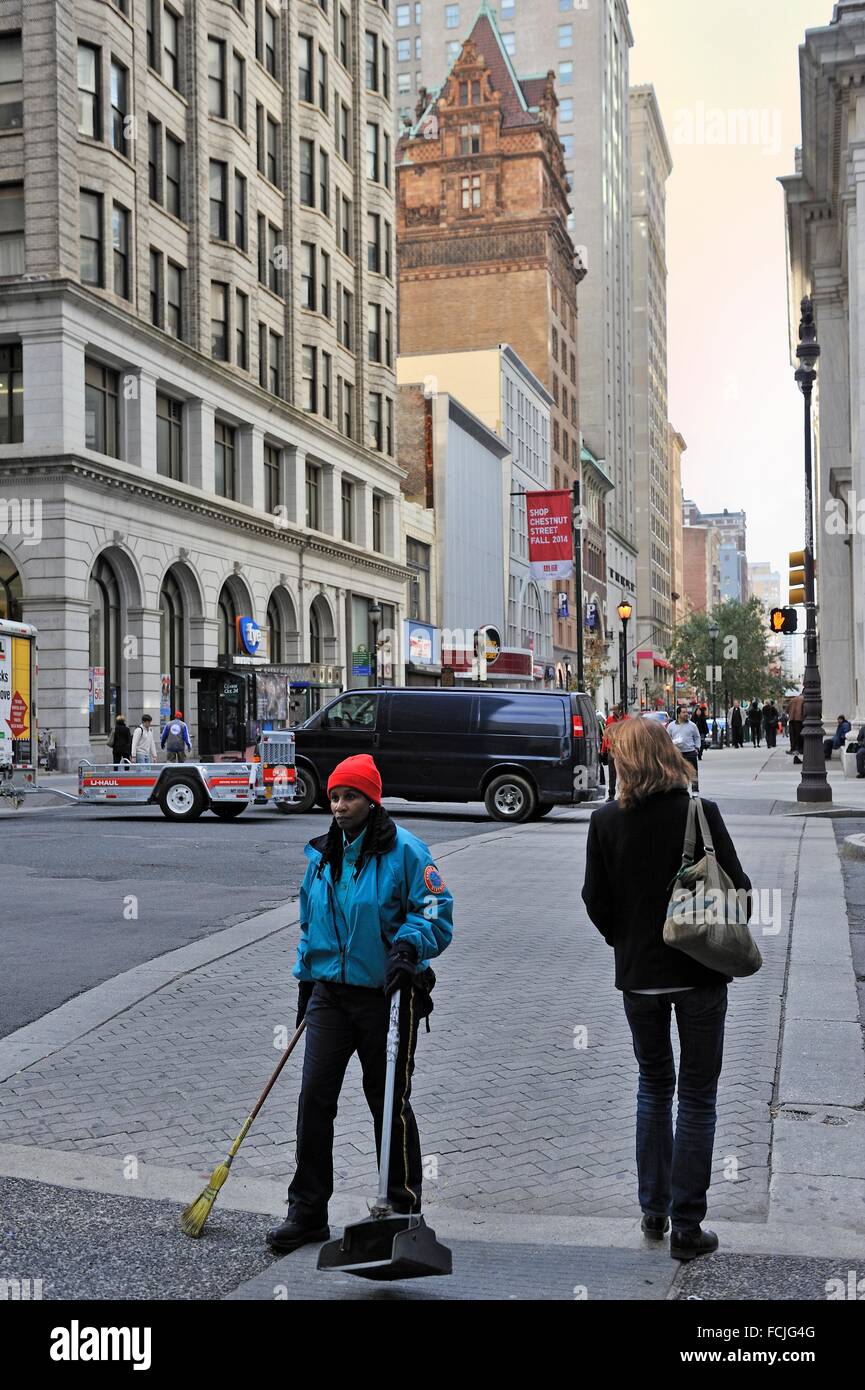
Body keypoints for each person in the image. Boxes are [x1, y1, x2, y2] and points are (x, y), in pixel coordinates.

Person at [267, 753, 454, 1255]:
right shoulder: (322, 856)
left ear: (371, 800)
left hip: (388, 995)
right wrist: (306, 984)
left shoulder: (407, 852)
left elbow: (435, 909)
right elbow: (312, 927)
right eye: (334, 796)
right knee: (314, 1100)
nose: (340, 805)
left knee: (388, 1100)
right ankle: (306, 1211)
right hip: (330, 994)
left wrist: (411, 944)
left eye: (350, 796)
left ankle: (401, 1208)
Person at [581, 718, 752, 1262]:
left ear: (622, 763)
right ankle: (687, 1225)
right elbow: (740, 890)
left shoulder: (605, 821)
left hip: (640, 980)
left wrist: (628, 940)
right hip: (700, 973)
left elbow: (595, 899)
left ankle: (653, 1211)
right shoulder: (701, 814)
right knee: (697, 1096)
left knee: (653, 1087)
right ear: (668, 757)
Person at [666, 707, 701, 789]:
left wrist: (697, 748)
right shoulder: (671, 726)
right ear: (678, 714)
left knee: (693, 773)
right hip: (677, 753)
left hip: (690, 752)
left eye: (687, 712)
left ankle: (695, 791)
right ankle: (680, 790)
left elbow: (697, 737)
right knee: (677, 773)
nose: (686, 714)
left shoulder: (692, 725)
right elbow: (667, 738)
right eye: (684, 712)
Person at [602, 705, 629, 802]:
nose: (613, 712)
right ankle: (611, 795)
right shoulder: (609, 720)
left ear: (620, 710)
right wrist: (603, 750)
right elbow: (606, 735)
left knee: (624, 773)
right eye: (612, 710)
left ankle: (624, 794)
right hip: (612, 749)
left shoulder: (627, 719)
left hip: (623, 749)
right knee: (611, 773)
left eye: (615, 710)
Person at [787, 691, 804, 765]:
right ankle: (799, 756)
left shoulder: (793, 699)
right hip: (800, 721)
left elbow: (787, 710)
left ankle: (795, 757)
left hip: (791, 720)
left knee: (794, 740)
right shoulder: (804, 699)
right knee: (800, 740)